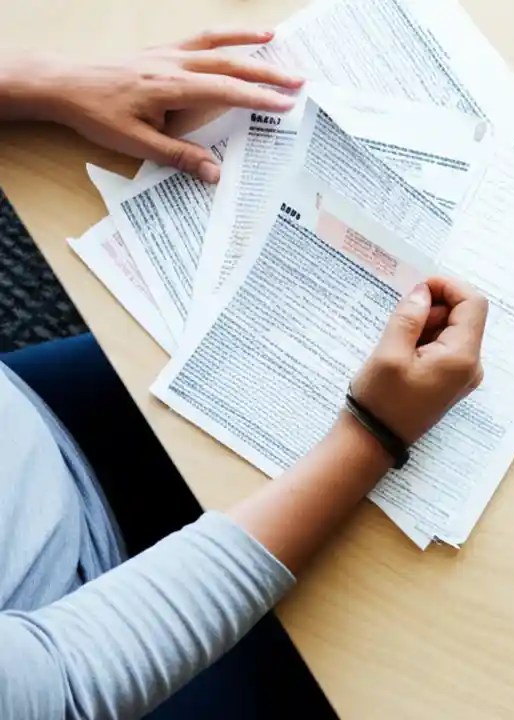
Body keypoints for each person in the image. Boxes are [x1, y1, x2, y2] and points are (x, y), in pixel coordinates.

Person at [0, 29, 489, 719]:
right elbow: (73, 679)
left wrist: (36, 80)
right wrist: (373, 434)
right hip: (88, 638)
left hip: (32, 431)